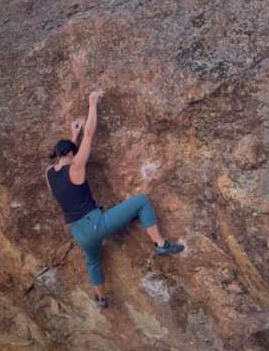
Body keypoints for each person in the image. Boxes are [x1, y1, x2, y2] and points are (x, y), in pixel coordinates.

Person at [45, 89, 184, 308]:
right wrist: (92, 104)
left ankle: (100, 299)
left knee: (92, 261)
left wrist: (72, 136)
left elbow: (66, 157)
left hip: (78, 232)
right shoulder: (76, 168)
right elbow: (89, 134)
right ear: (73, 156)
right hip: (96, 225)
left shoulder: (49, 174)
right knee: (142, 201)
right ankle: (161, 244)